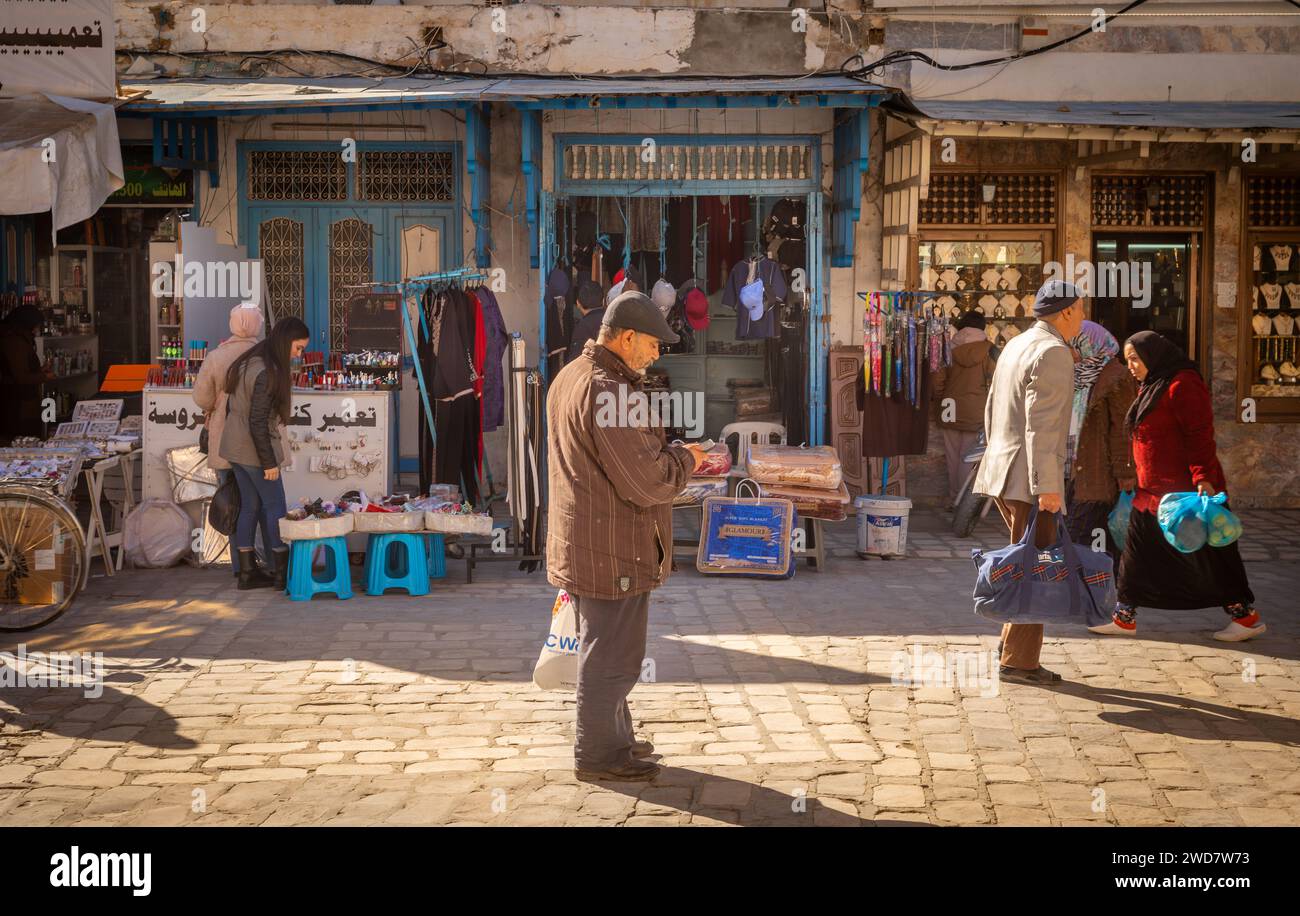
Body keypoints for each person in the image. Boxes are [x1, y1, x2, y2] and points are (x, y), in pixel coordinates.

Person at [546, 291, 707, 782]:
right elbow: (646, 481)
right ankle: (597, 756)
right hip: (609, 548)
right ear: (628, 337)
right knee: (612, 658)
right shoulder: (608, 391)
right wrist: (689, 460)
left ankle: (616, 742)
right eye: (654, 344)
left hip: (593, 540)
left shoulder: (573, 374)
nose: (658, 354)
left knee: (611, 650)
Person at [1090, 331, 1266, 641]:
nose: (1130, 365)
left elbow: (1199, 434)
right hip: (1151, 491)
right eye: (1127, 359)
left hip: (1186, 493)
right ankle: (1124, 617)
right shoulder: (1152, 385)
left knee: (1208, 555)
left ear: (1153, 356)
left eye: (1135, 359)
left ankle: (1246, 618)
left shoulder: (1182, 384)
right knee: (1136, 553)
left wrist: (1203, 478)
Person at [973, 280, 1084, 685]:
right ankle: (1018, 661)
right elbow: (1042, 427)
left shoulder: (1017, 344)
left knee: (1028, 560)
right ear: (1067, 311)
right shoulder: (1053, 351)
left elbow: (991, 406)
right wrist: (1047, 487)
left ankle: (1011, 650)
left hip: (1004, 468)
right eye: (1082, 310)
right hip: (1029, 478)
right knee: (1035, 565)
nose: (1083, 318)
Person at [219, 316, 310, 591]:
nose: (299, 354)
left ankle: (247, 573)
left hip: (235, 447)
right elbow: (257, 421)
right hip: (254, 451)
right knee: (275, 507)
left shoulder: (250, 361)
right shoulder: (268, 371)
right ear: (285, 343)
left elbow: (233, 409)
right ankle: (282, 573)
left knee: (250, 505)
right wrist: (268, 462)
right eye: (297, 348)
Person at [193, 303, 265, 574]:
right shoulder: (264, 354)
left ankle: (241, 566)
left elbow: (202, 398)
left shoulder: (216, 356)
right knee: (262, 502)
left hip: (225, 439)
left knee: (232, 504)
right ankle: (267, 560)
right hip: (258, 443)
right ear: (256, 325)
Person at [1064, 320, 1137, 561]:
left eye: (1075, 344)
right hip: (1069, 470)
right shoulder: (1074, 374)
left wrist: (1125, 474)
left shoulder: (1116, 377)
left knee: (1077, 538)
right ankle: (1101, 592)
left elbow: (1123, 430)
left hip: (1097, 472)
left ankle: (1089, 594)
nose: (1070, 351)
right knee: (1090, 542)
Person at [931, 309, 994, 502]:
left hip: (949, 407)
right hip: (976, 410)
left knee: (952, 457)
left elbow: (937, 381)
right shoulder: (989, 350)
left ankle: (953, 498)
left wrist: (943, 399)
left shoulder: (948, 348)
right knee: (969, 456)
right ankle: (962, 501)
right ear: (982, 328)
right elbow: (996, 381)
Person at [0, 305, 53, 445]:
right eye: (36, 325)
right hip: (17, 404)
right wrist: (44, 377)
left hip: (19, 401)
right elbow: (20, 376)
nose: (37, 329)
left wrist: (40, 370)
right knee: (24, 441)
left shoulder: (17, 338)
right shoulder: (15, 342)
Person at [566, 280, 606, 361]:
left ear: (578, 303)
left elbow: (575, 362)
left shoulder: (582, 327)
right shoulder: (612, 321)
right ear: (603, 301)